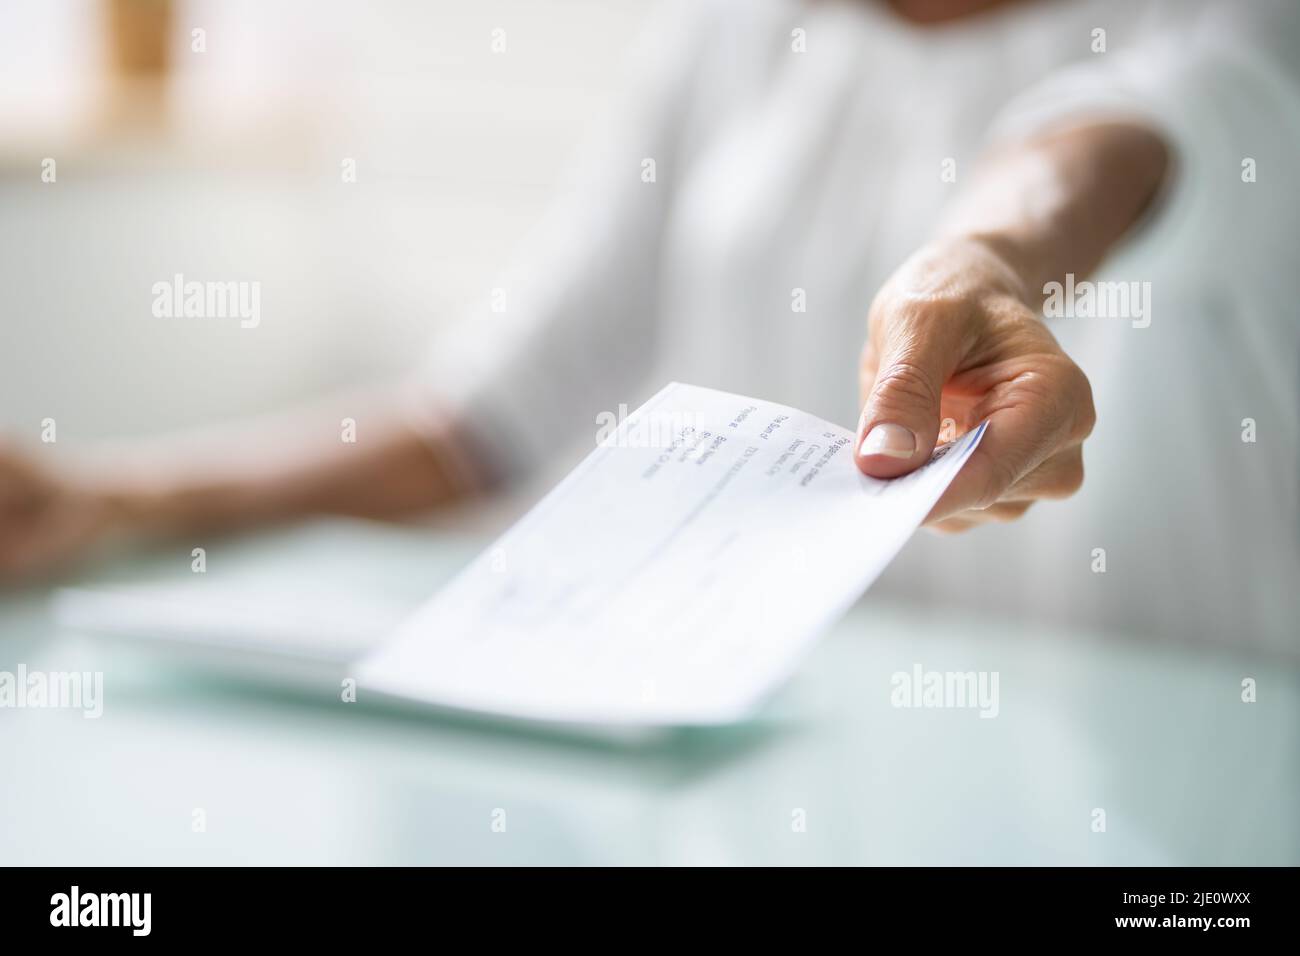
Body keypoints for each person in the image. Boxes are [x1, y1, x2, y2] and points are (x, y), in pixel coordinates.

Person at [2, 0, 1297, 653]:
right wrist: (108, 500)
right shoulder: (736, 33)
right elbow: (480, 419)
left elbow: (1119, 141)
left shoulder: (1237, 28)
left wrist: (988, 254)